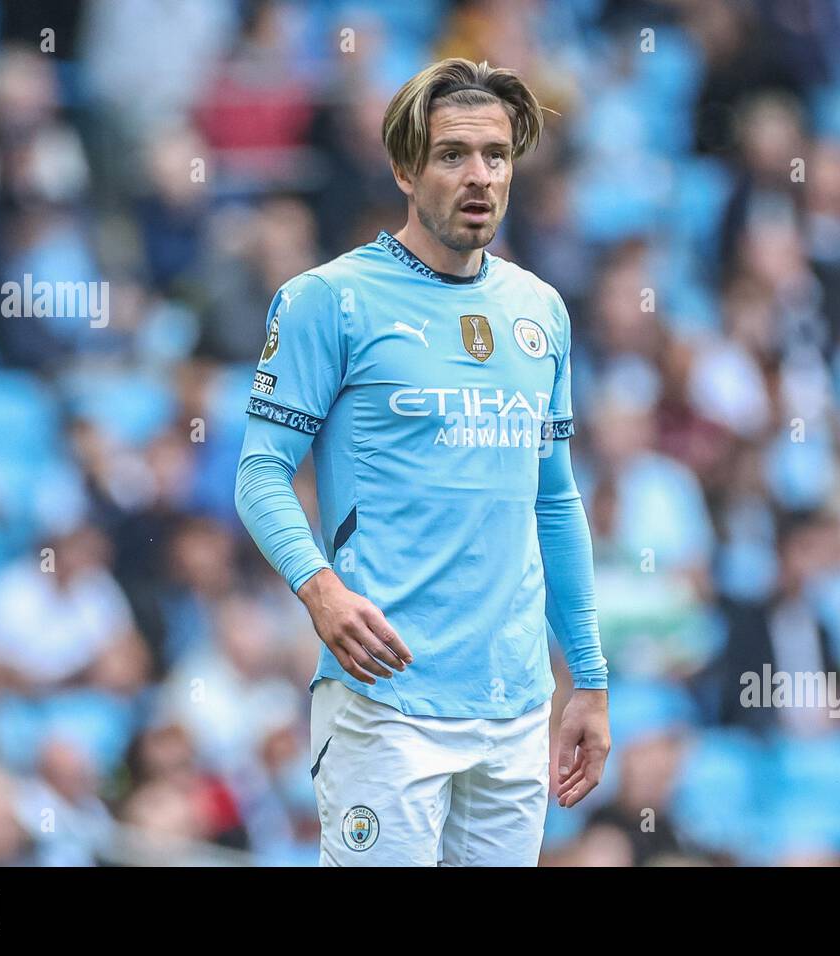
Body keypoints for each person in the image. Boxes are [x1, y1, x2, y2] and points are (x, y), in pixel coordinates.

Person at [234, 58, 609, 866]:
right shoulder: (327, 300)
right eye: (452, 155)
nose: (479, 177)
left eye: (496, 156)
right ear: (405, 168)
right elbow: (260, 471)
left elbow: (555, 502)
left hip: (514, 707)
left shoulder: (539, 310)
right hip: (387, 700)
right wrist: (319, 589)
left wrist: (589, 675)